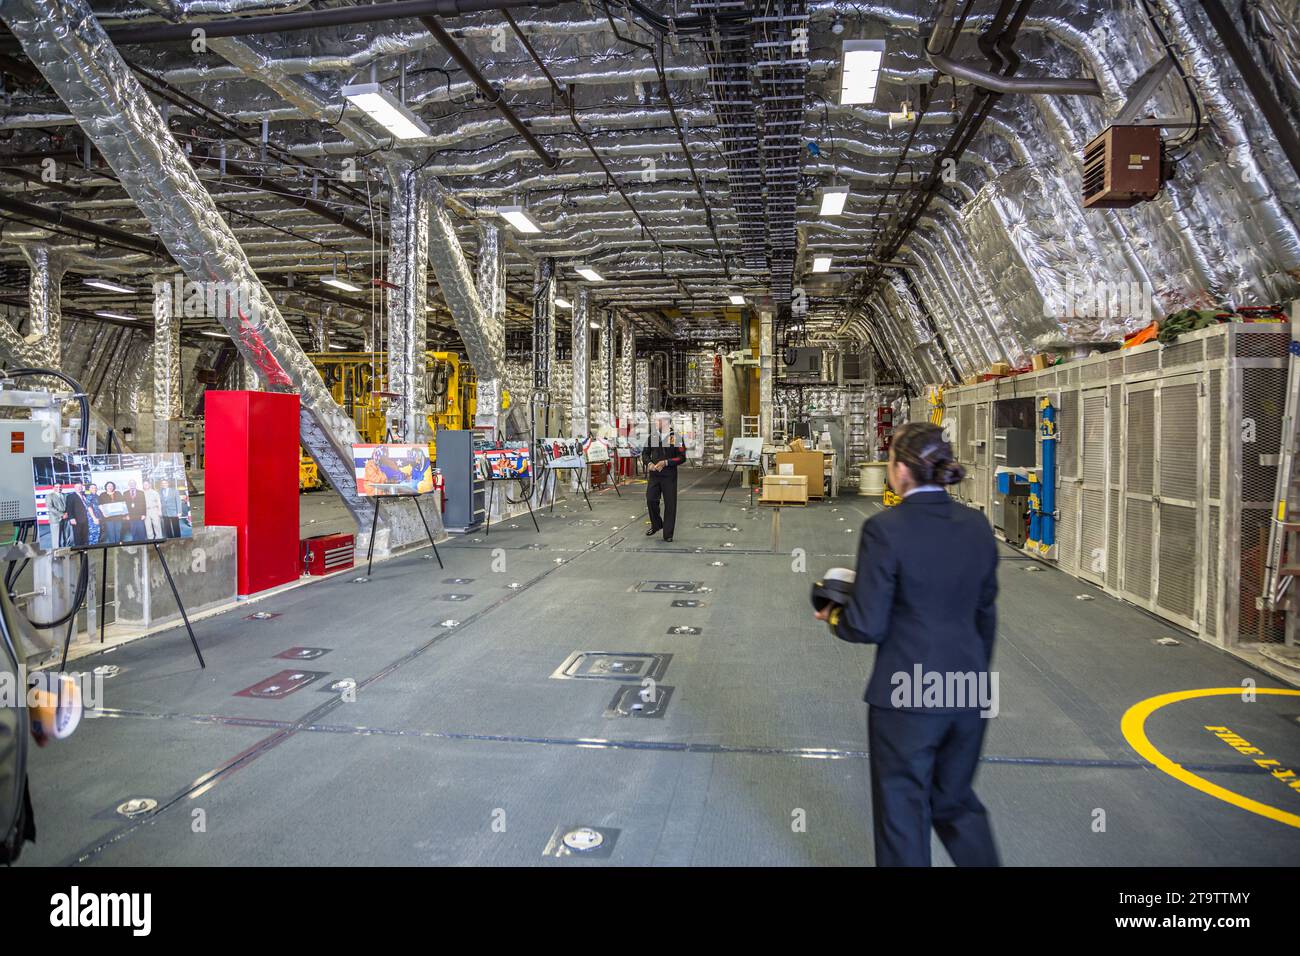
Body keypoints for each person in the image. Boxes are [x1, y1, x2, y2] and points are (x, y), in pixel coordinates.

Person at [814, 421, 1000, 867]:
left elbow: (867, 624)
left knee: (903, 810)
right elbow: (985, 614)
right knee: (956, 803)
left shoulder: (886, 529)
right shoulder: (977, 526)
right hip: (969, 687)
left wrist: (834, 615)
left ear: (899, 470)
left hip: (908, 692)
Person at [642, 411, 685, 542]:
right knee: (651, 500)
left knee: (670, 504)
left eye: (657, 421)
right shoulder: (653, 437)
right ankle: (656, 525)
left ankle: (668, 534)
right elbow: (645, 453)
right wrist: (649, 463)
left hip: (669, 476)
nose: (655, 423)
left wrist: (666, 462)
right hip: (654, 475)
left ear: (665, 422)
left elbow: (682, 458)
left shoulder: (675, 437)